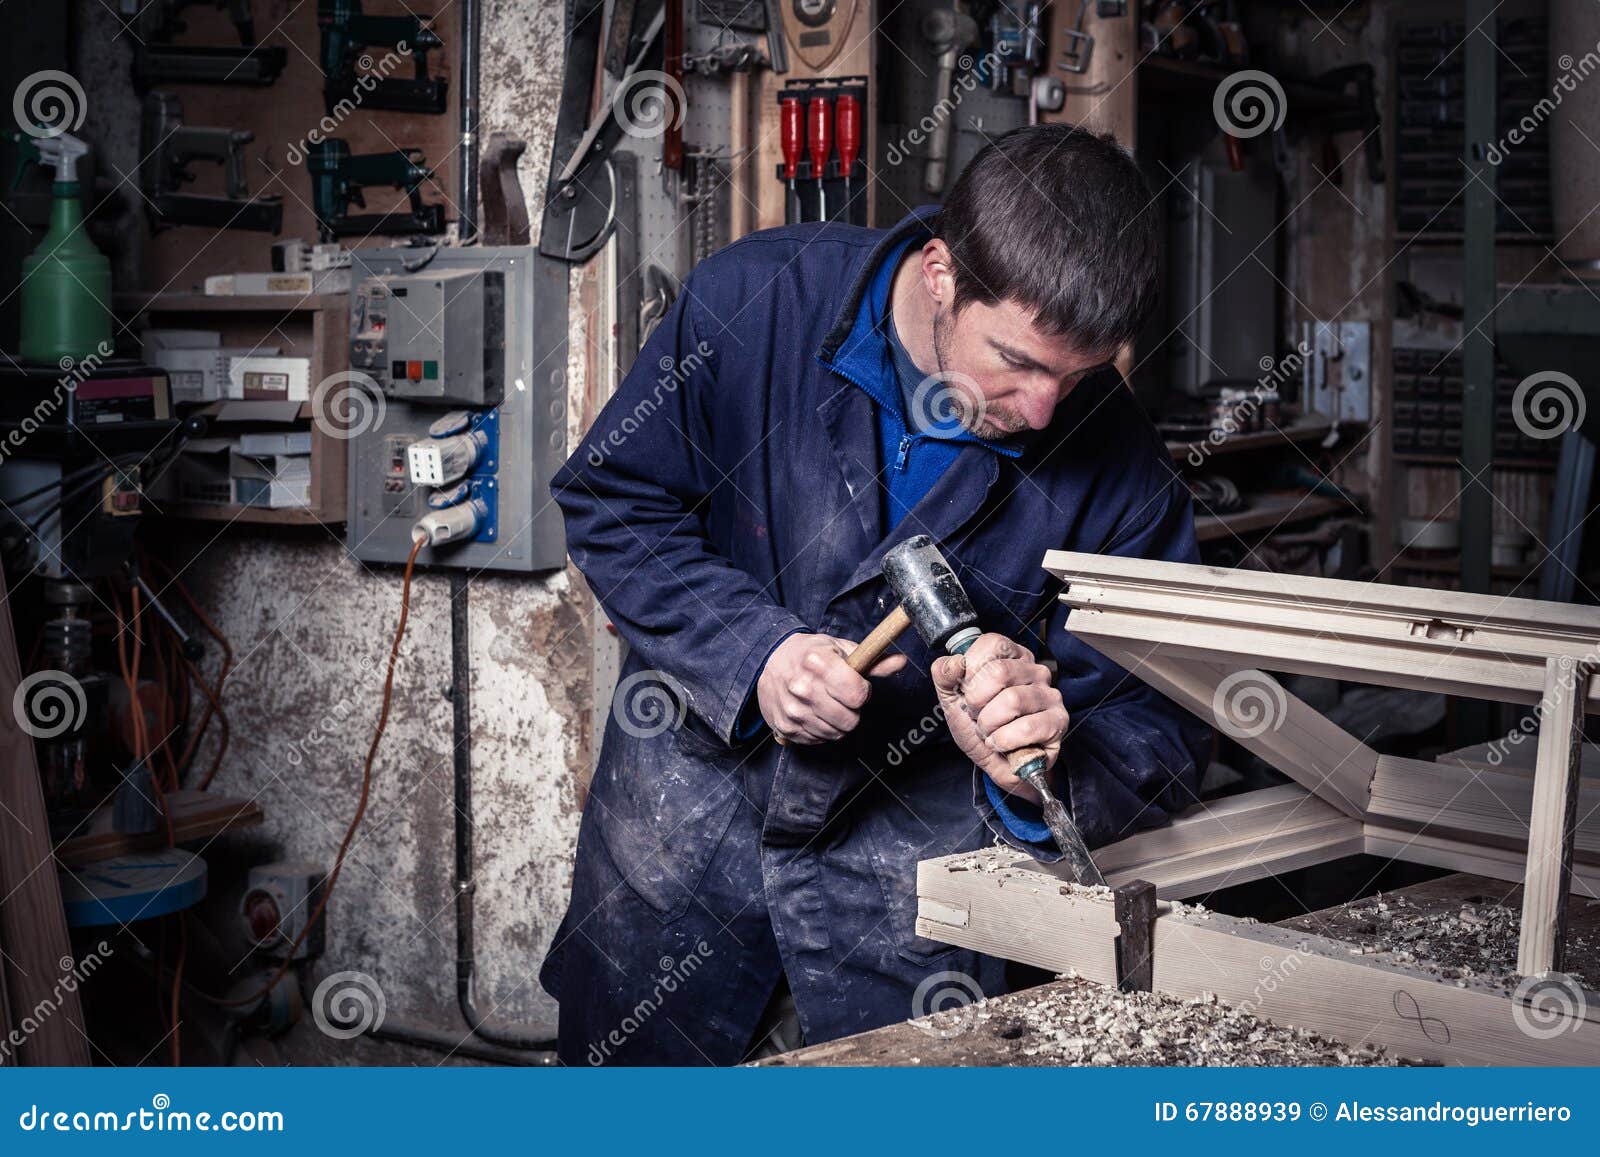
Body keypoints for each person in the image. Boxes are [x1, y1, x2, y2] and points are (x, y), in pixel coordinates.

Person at [541, 124, 1211, 1065]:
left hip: (911, 911)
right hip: (683, 854)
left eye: (1081, 374)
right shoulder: (753, 302)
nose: (1046, 410)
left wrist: (1032, 764)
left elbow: (1167, 729)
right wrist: (752, 654)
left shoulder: (1120, 465)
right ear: (941, 272)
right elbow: (614, 502)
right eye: (1016, 362)